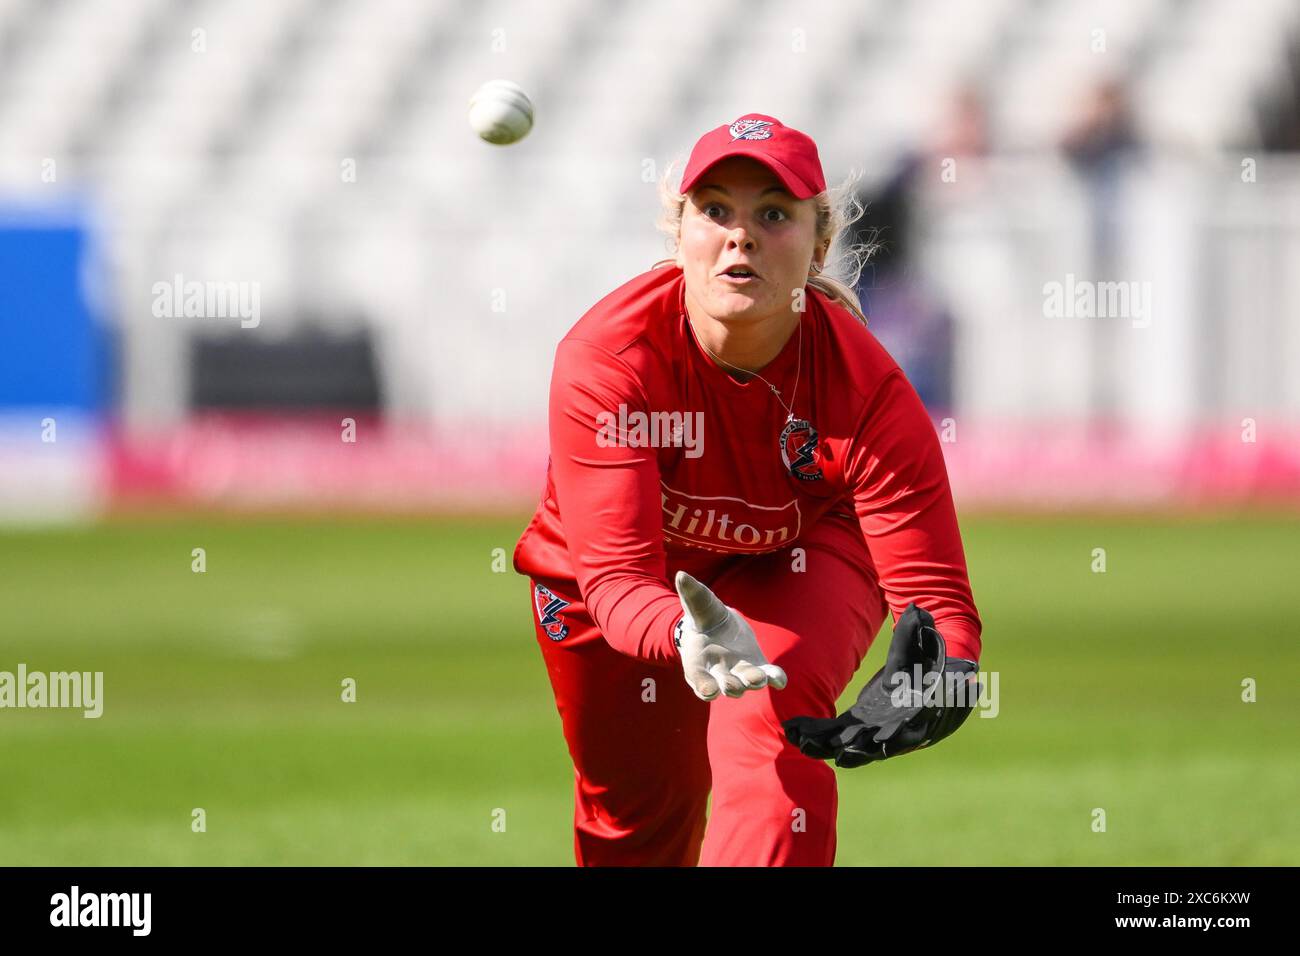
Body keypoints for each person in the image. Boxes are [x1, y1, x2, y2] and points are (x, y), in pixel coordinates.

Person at [513, 113, 983, 867]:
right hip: (615, 591)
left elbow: (941, 606)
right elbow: (618, 576)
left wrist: (941, 681)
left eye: (773, 213)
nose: (741, 234)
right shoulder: (610, 362)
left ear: (820, 244)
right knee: (634, 820)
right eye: (715, 210)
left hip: (795, 556)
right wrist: (683, 631)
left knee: (767, 716)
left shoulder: (867, 388)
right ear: (680, 236)